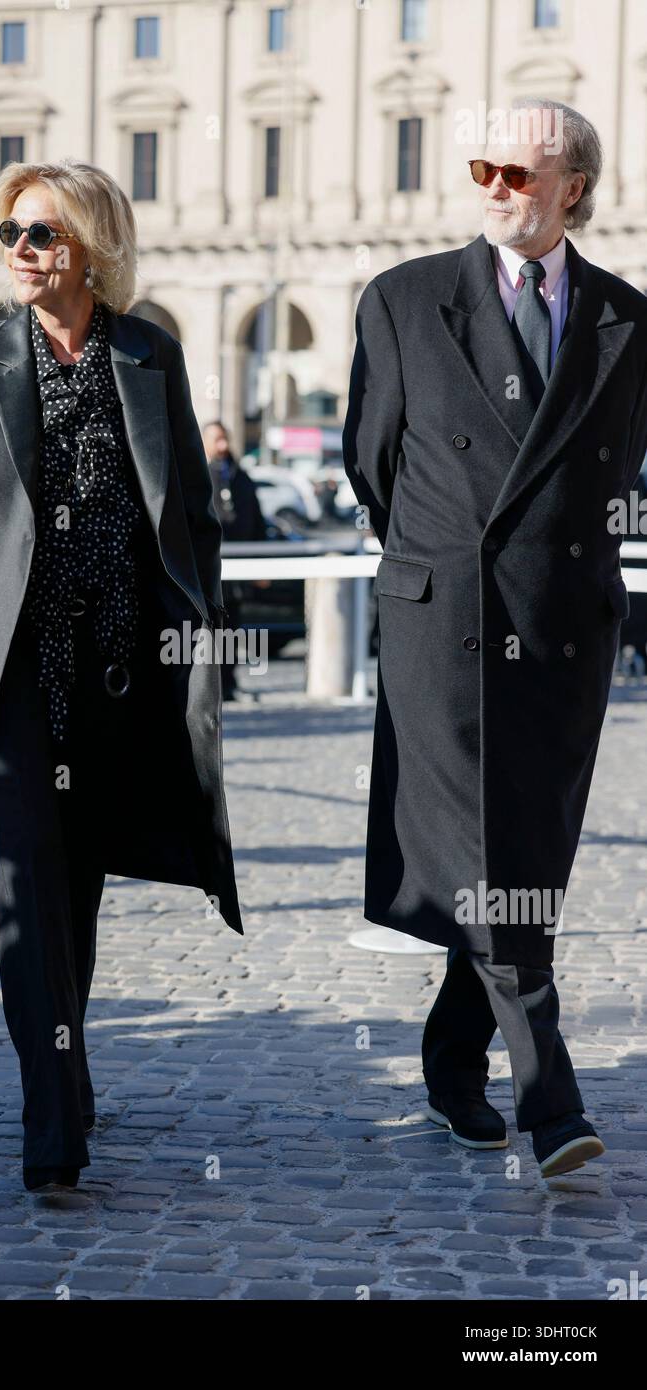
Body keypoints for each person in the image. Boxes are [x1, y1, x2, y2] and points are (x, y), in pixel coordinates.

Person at [0, 158, 244, 1193]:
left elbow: (193, 522)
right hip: (10, 661)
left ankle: (66, 1071)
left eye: (38, 233)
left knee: (77, 879)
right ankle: (48, 1110)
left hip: (117, 664)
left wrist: (205, 634)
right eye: (7, 234)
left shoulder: (148, 355)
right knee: (26, 877)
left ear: (89, 244)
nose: (18, 252)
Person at [343, 98, 647, 1179]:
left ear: (574, 186)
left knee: (524, 859)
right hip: (446, 626)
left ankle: (445, 1059)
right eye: (482, 168)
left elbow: (617, 476)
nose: (494, 187)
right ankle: (548, 1094)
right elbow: (370, 464)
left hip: (562, 626)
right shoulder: (403, 299)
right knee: (480, 851)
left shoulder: (625, 319)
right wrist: (445, 554)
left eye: (519, 172)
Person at [203, 421, 267, 700]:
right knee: (208, 630)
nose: (222, 445)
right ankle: (209, 688)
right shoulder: (200, 476)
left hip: (240, 568)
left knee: (233, 627)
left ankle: (229, 684)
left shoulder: (241, 477)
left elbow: (258, 521)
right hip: (211, 568)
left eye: (224, 438)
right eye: (216, 439)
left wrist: (262, 564)